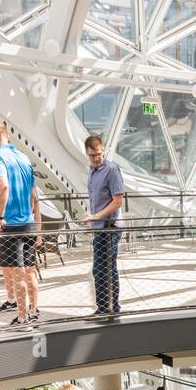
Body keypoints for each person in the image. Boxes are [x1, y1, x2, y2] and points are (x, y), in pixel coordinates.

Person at [0, 121, 41, 326]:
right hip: (28, 223)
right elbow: (33, 196)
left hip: (10, 225)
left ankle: (22, 317)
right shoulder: (23, 157)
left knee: (18, 273)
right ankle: (34, 310)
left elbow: (3, 185)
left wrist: (0, 217)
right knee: (30, 270)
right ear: (7, 135)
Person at [79, 134, 124, 315]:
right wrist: (93, 218)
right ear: (87, 153)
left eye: (98, 154)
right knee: (105, 269)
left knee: (103, 268)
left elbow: (117, 201)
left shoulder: (112, 170)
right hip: (100, 227)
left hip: (110, 228)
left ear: (103, 150)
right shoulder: (92, 171)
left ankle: (108, 308)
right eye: (92, 155)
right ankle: (108, 308)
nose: (96, 158)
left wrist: (95, 216)